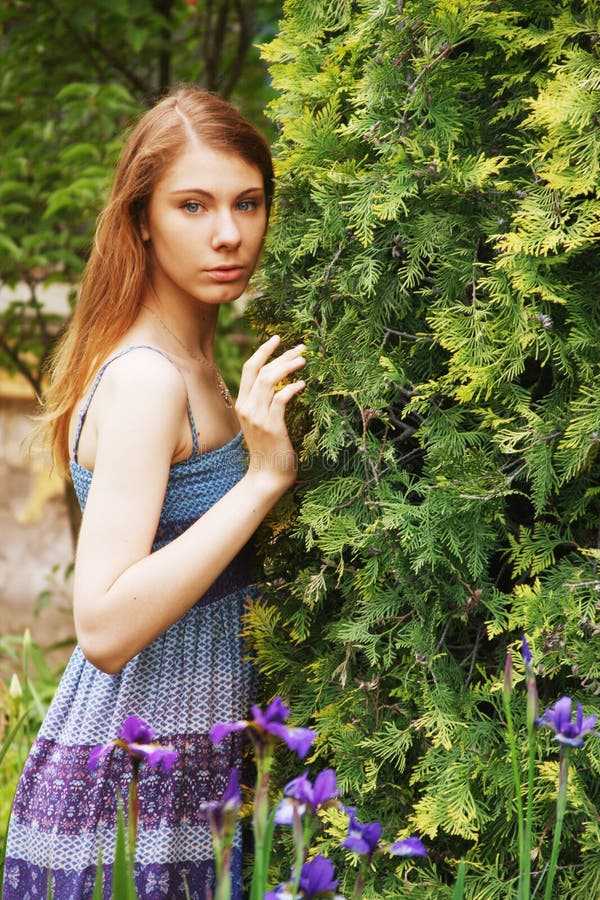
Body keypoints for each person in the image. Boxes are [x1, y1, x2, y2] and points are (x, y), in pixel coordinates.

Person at [2, 86, 306, 900]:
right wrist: (263, 480)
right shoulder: (148, 379)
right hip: (132, 797)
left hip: (193, 778)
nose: (228, 232)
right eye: (192, 205)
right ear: (141, 219)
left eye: (248, 202)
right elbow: (102, 626)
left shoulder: (200, 362)